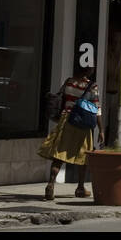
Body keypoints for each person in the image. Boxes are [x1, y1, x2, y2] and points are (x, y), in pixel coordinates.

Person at [39, 60, 102, 200]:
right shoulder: (92, 86)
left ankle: (51, 184)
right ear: (88, 70)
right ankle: (80, 187)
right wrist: (101, 130)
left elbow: (61, 99)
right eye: (92, 68)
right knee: (83, 156)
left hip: (66, 120)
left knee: (59, 155)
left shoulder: (69, 82)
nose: (93, 70)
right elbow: (97, 109)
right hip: (82, 124)